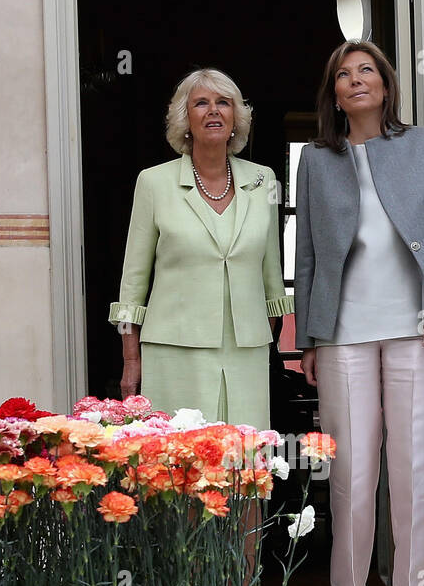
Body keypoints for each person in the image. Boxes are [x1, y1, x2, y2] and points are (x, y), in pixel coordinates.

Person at [294, 39, 424, 586]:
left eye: (367, 71)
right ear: (335, 95)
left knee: (415, 473)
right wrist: (309, 339)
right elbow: (308, 252)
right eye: (344, 75)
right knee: (352, 477)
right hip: (343, 334)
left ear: (386, 86)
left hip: (417, 330)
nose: (357, 80)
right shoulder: (316, 159)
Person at [110, 68, 293, 431]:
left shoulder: (263, 181)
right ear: (185, 120)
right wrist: (132, 362)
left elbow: (271, 279)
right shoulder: (153, 183)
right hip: (174, 351)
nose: (214, 111)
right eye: (201, 103)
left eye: (223, 102)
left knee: (243, 465)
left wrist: (257, 336)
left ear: (236, 118)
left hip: (245, 354)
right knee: (179, 470)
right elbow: (133, 283)